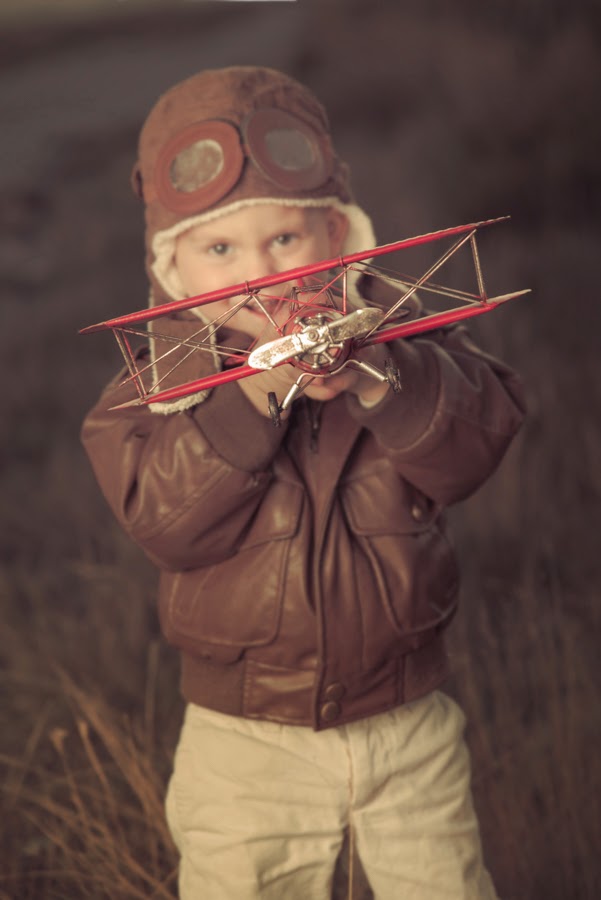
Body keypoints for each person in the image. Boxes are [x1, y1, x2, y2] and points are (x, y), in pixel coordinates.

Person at [81, 66, 525, 899]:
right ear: (174, 266)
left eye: (284, 240)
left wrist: (376, 379)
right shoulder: (158, 381)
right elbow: (165, 520)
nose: (261, 276)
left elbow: (474, 447)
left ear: (337, 234)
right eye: (220, 250)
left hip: (406, 722)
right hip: (243, 738)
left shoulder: (395, 331)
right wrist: (255, 390)